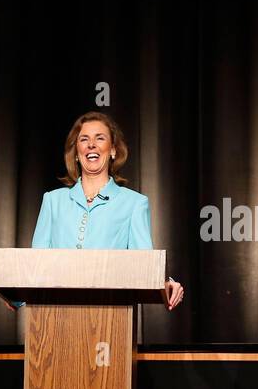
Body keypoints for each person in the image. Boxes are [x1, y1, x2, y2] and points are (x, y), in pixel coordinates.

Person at [30, 112, 183, 309]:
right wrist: (15, 293)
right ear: (76, 153)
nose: (91, 144)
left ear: (112, 150)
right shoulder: (52, 201)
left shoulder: (134, 203)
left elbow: (144, 264)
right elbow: (35, 265)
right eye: (84, 139)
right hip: (54, 315)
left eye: (99, 138)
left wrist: (165, 283)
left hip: (110, 315)